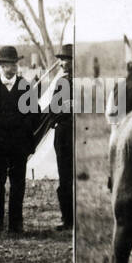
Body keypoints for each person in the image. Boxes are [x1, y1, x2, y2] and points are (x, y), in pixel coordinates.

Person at [0, 46, 38, 233]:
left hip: (19, 144)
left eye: (15, 64)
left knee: (18, 183)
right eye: (10, 64)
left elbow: (35, 114)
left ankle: (16, 224)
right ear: (1, 65)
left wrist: (22, 128)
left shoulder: (26, 86)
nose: (14, 68)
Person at [52, 44, 75, 229]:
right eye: (61, 59)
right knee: (65, 177)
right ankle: (67, 218)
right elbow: (54, 110)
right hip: (64, 134)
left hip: (81, 135)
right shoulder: (62, 82)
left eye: (66, 59)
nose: (62, 63)